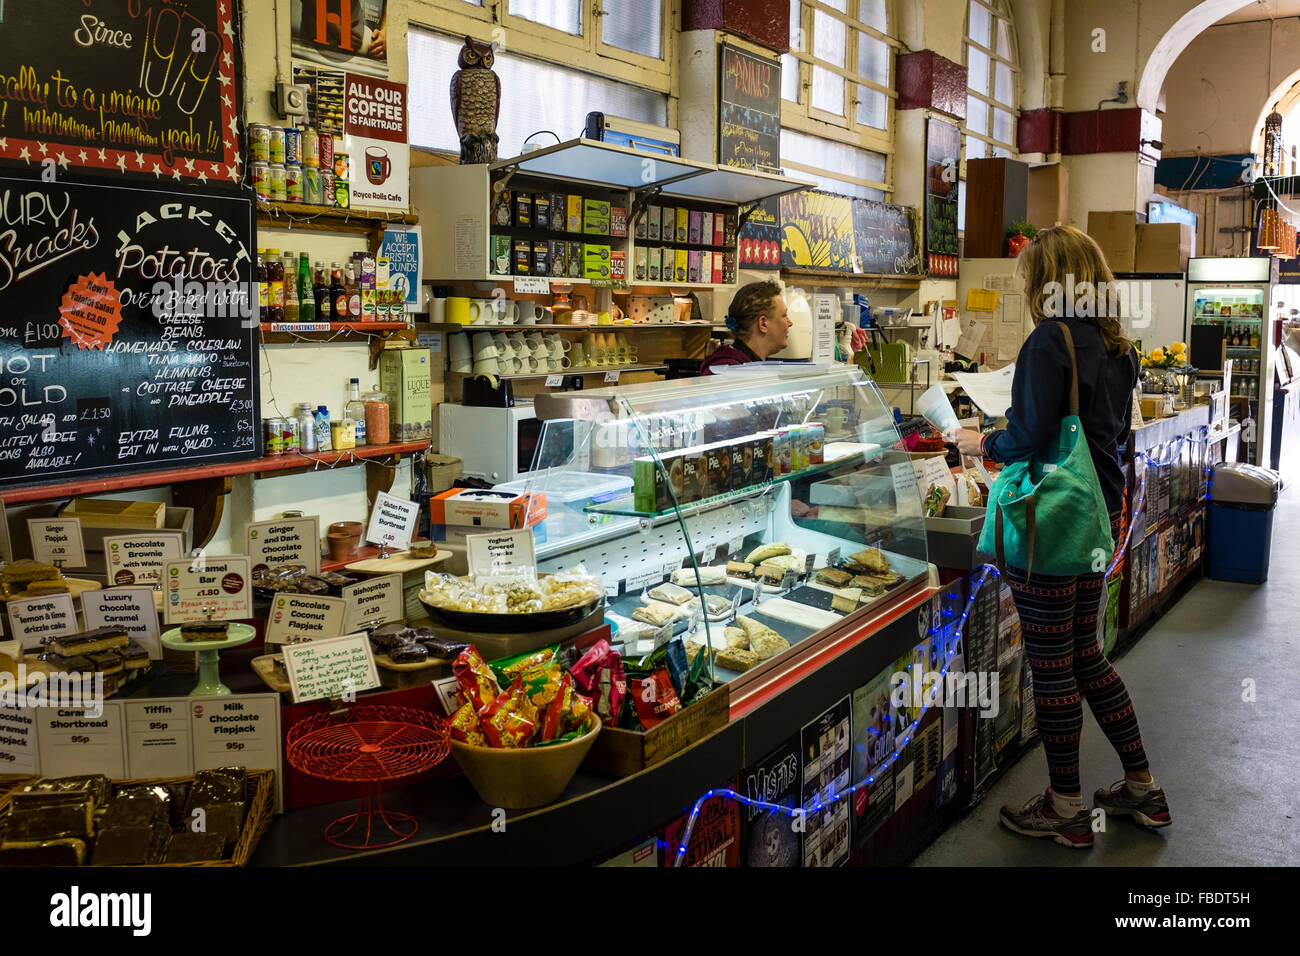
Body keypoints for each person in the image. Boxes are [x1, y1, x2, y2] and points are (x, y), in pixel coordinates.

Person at [951, 225, 1171, 849]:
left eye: (1030, 278)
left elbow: (1026, 437)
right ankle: (1141, 787)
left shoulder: (1052, 339)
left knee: (1051, 667)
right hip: (1099, 516)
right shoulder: (1117, 344)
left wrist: (981, 442)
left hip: (1052, 523)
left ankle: (1068, 808)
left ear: (1050, 282)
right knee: (1087, 656)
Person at [699, 280, 791, 373]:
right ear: (763, 323)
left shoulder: (747, 366)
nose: (790, 323)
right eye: (784, 315)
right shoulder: (728, 371)